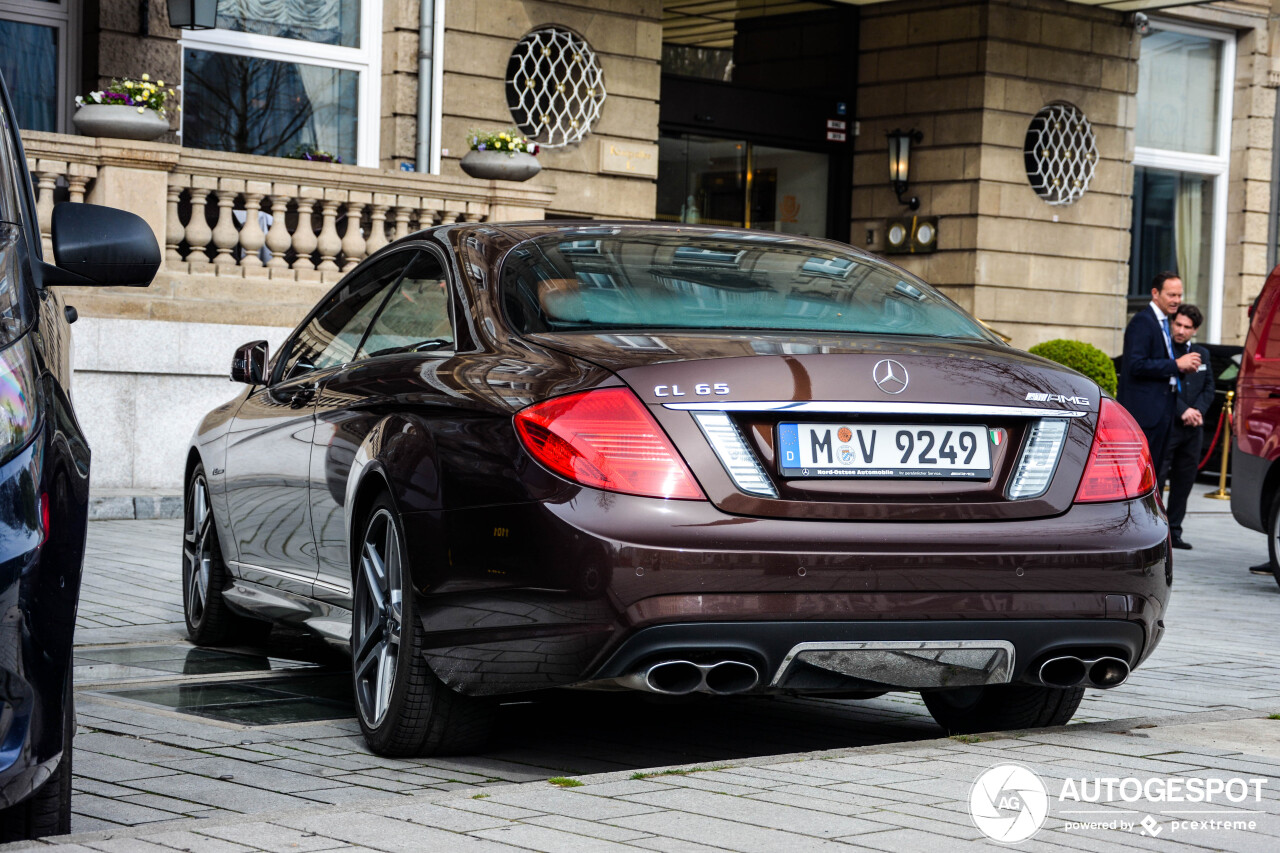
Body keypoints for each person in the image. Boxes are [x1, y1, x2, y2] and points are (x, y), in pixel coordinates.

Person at [1117, 272, 1202, 477]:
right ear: (1155, 293)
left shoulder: (1163, 322)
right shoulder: (1142, 322)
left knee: (1154, 473)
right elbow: (1136, 365)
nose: (1177, 301)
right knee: (1138, 474)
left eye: (1179, 295)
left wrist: (1181, 368)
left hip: (1165, 410)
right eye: (1171, 295)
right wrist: (1176, 364)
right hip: (1145, 413)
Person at [1158, 304, 1213, 550]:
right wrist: (1184, 410)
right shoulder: (1164, 350)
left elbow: (1209, 387)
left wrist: (1198, 411)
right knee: (1158, 478)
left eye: (1186, 327)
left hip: (1193, 429)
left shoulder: (1202, 354)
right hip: (1168, 424)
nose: (1180, 330)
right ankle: (1156, 532)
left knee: (1185, 480)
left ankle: (1175, 531)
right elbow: (1160, 387)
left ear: (1195, 329)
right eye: (1177, 324)